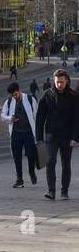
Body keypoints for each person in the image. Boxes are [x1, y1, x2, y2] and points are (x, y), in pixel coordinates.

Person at [35, 68, 79, 200]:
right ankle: (51, 191)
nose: (59, 84)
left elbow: (77, 119)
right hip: (51, 135)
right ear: (54, 81)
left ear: (67, 81)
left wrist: (75, 137)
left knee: (66, 164)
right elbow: (40, 117)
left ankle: (64, 191)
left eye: (61, 82)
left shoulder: (74, 96)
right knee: (50, 161)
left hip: (67, 136)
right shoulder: (47, 95)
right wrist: (39, 138)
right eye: (57, 82)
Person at [1, 81, 38, 188]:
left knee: (31, 155)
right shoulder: (9, 101)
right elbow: (3, 115)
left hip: (28, 133)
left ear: (19, 90)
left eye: (15, 94)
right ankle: (19, 179)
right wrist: (10, 119)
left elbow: (36, 115)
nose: (14, 97)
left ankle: (31, 171)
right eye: (12, 95)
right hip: (16, 133)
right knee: (17, 156)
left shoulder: (30, 99)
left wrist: (37, 132)